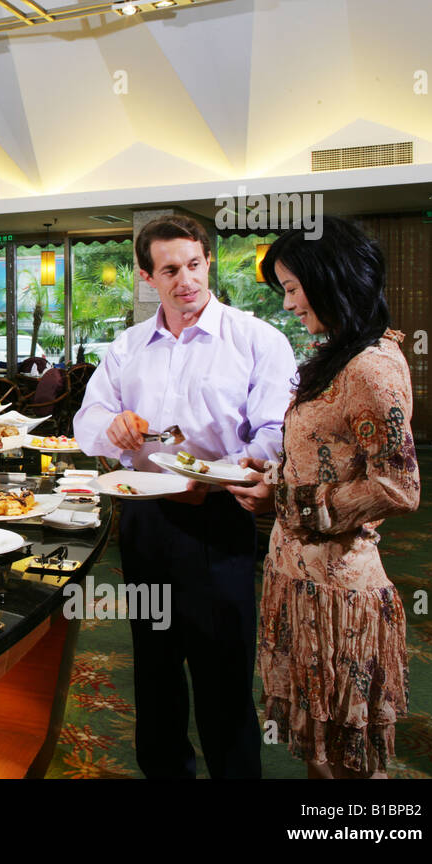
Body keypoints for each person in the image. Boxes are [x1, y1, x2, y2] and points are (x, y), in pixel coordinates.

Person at [73, 214, 297, 778]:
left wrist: (227, 469)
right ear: (148, 277)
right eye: (170, 270)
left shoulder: (257, 339)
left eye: (193, 265)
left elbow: (274, 431)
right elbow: (88, 418)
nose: (185, 281)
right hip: (146, 519)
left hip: (219, 519)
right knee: (154, 671)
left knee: (224, 675)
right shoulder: (126, 347)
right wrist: (113, 427)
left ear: (207, 262)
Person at [225, 218, 419, 778]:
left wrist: (285, 499)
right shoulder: (341, 354)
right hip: (301, 579)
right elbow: (329, 455)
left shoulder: (372, 367)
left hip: (338, 591)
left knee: (347, 758)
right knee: (321, 753)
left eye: (290, 288)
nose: (286, 305)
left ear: (329, 279)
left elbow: (397, 485)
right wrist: (276, 469)